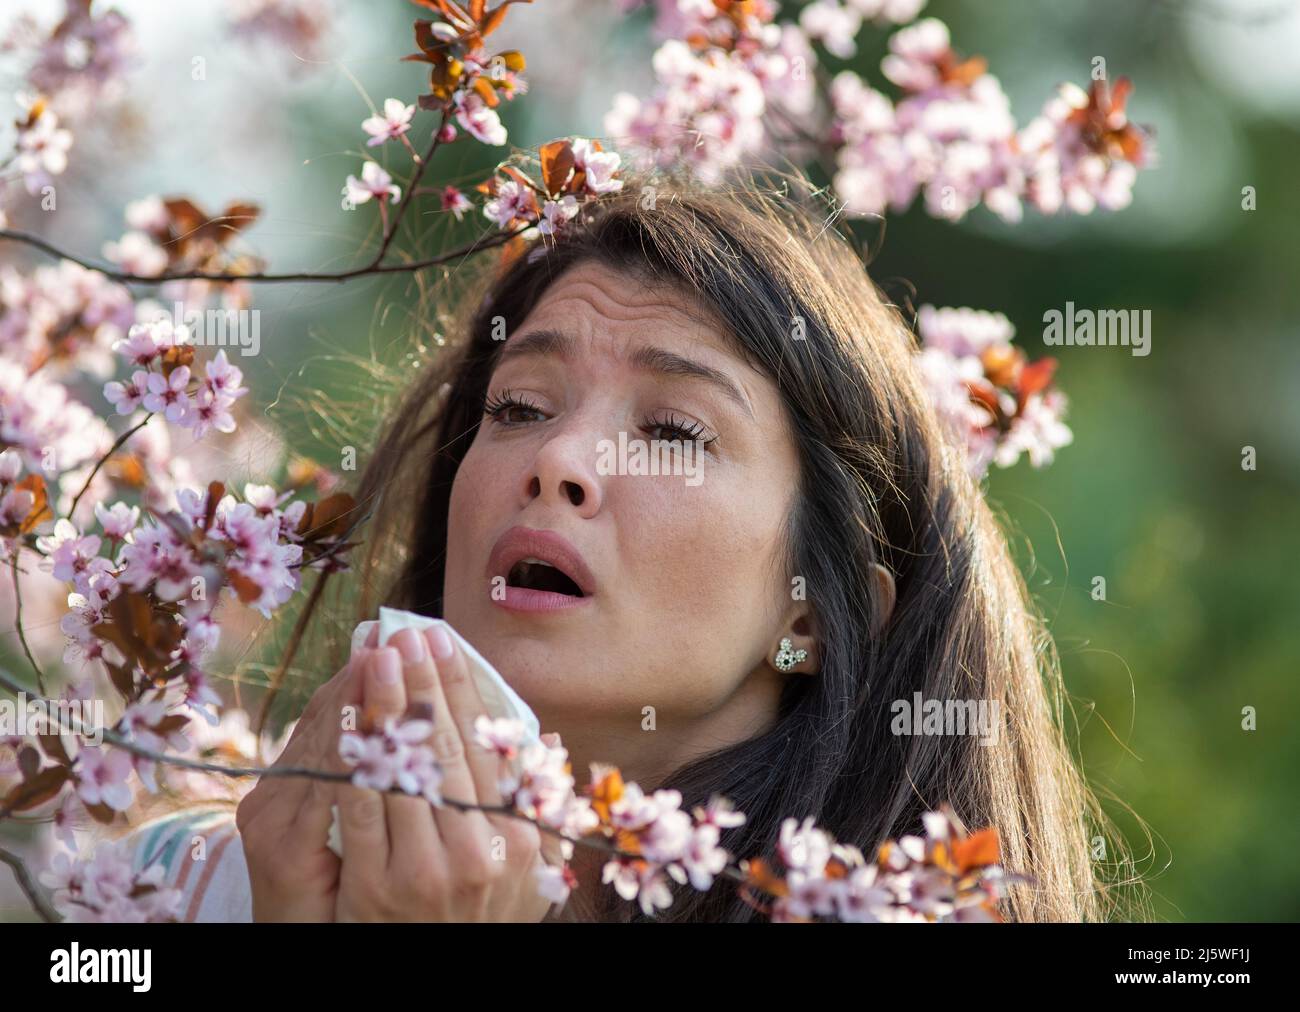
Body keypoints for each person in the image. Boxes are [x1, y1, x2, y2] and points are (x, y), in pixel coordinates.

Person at [127, 170, 1125, 922]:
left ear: (815, 613)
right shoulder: (173, 886)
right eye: (517, 405)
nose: (558, 456)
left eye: (671, 432)